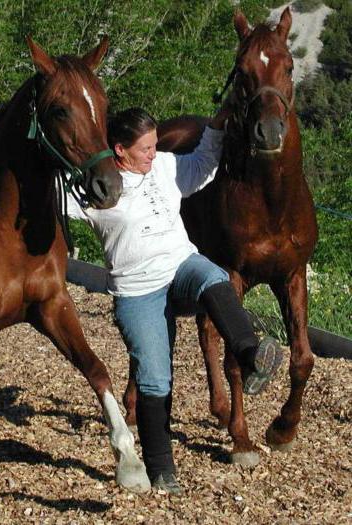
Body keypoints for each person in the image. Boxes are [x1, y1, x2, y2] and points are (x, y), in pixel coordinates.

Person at [66, 106, 283, 495]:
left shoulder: (164, 167)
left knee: (212, 275)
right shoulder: (97, 189)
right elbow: (46, 196)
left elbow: (201, 164)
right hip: (137, 289)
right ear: (119, 150)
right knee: (154, 378)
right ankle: (161, 471)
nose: (154, 152)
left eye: (154, 145)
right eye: (145, 147)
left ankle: (250, 357)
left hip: (180, 266)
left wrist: (215, 127)